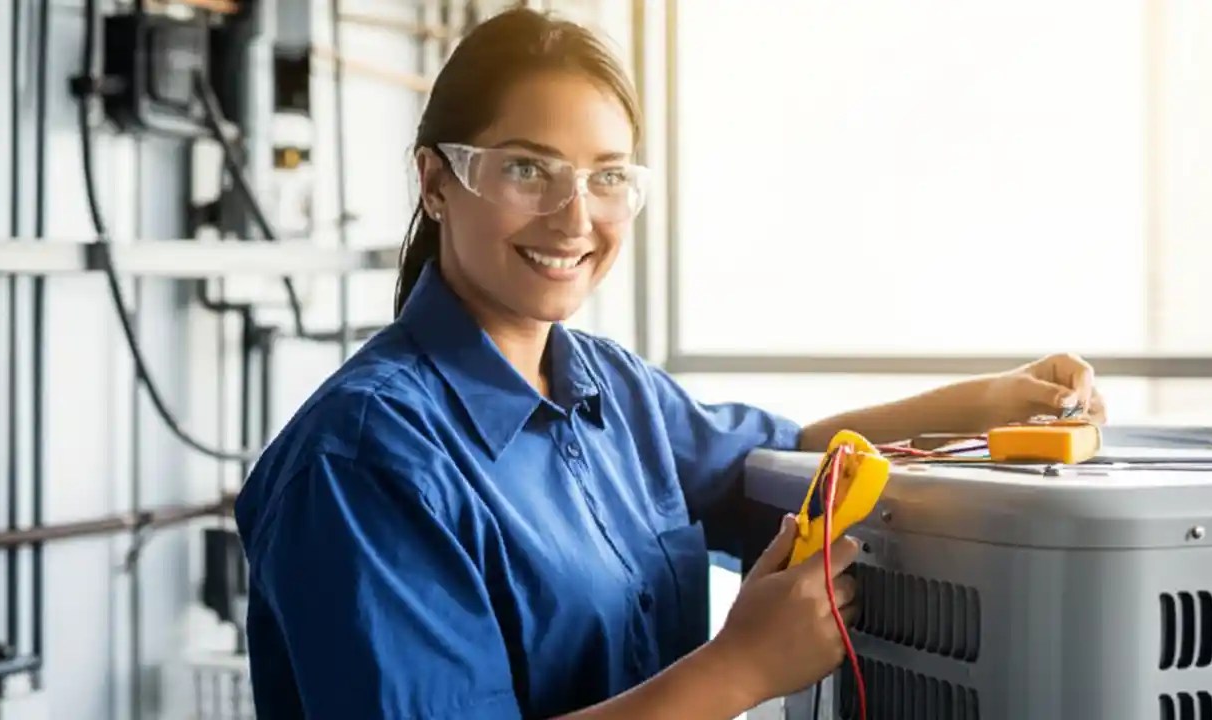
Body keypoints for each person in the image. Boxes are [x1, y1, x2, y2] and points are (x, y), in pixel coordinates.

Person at [234, 7, 1106, 719]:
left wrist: (994, 403)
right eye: (529, 170)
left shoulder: (609, 391)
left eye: (608, 176)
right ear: (434, 181)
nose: (575, 219)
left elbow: (791, 457)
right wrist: (740, 669)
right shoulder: (364, 461)